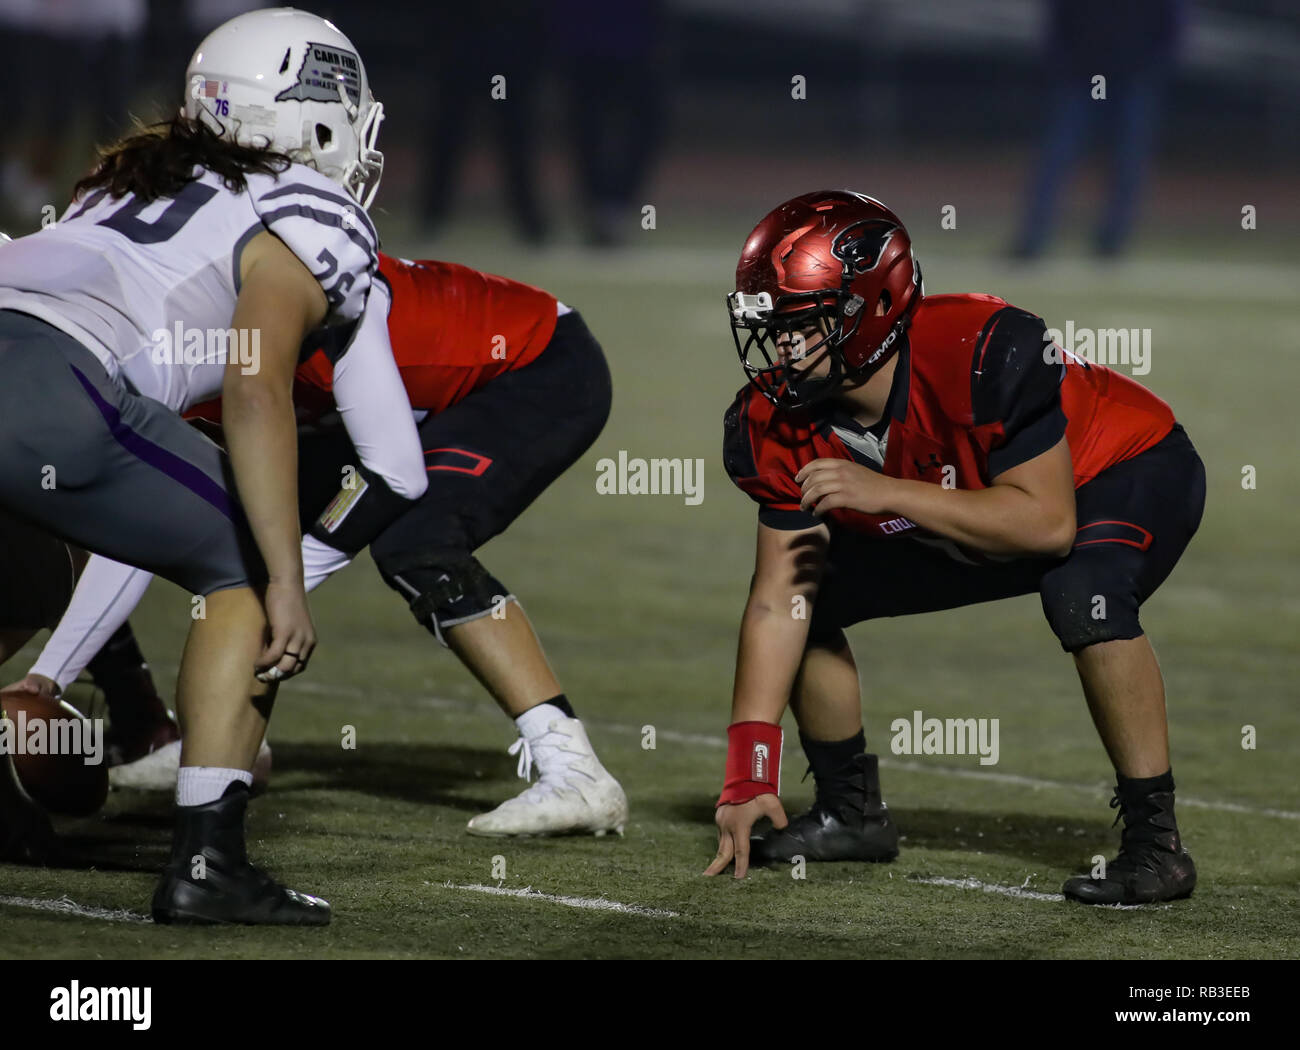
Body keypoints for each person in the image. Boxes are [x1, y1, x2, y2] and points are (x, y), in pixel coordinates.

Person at [0, 9, 427, 924]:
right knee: (239, 569)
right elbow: (255, 384)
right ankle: (208, 864)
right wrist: (284, 577)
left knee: (27, 571)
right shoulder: (309, 208)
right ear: (307, 116)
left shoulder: (130, 173)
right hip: (47, 382)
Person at [17, 251, 628, 836]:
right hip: (386, 407)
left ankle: (575, 771)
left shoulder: (303, 317)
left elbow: (394, 472)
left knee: (417, 543)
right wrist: (49, 676)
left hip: (533, 365)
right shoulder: (181, 343)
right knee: (232, 527)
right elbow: (133, 523)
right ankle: (227, 752)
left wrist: (286, 582)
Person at [705, 191, 1205, 906]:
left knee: (1082, 590)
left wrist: (890, 494)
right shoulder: (774, 422)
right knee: (812, 599)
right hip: (973, 500)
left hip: (1119, 470)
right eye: (774, 325)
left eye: (800, 325)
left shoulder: (982, 350)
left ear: (869, 310)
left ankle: (1156, 847)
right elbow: (774, 601)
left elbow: (1046, 528)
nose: (781, 347)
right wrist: (748, 774)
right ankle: (852, 815)